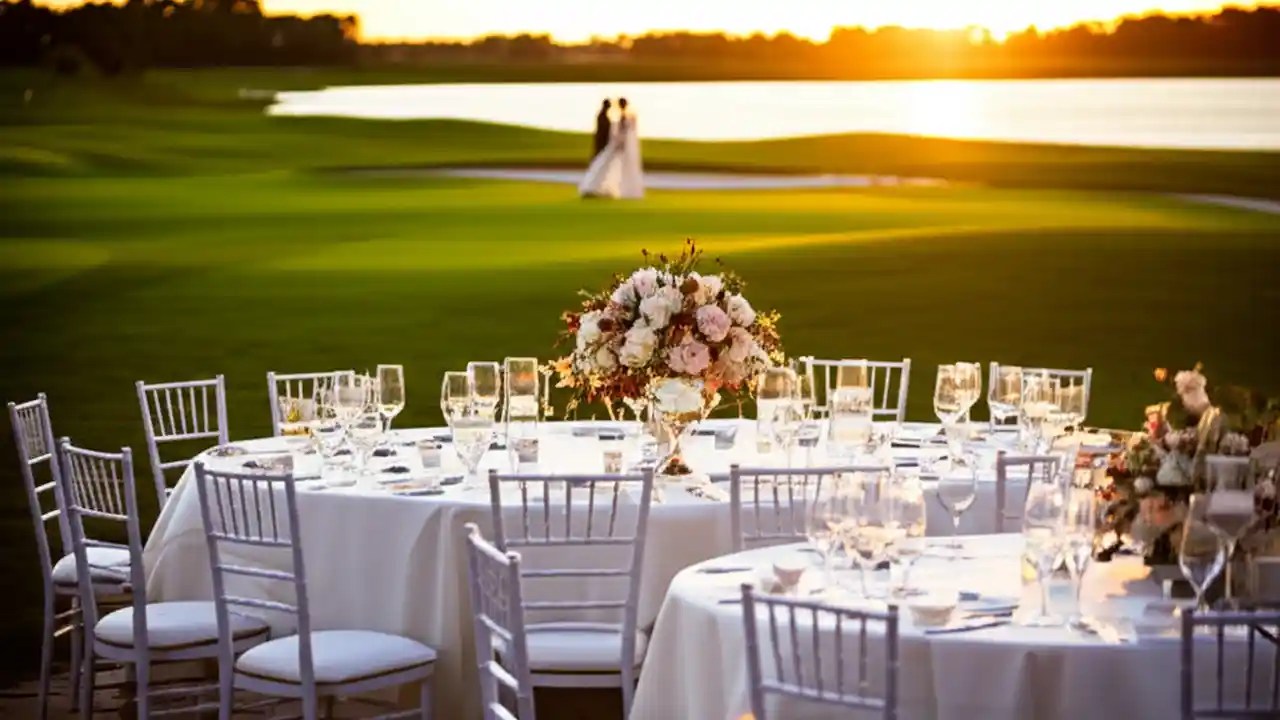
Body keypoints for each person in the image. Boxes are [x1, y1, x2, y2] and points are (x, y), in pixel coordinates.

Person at [579, 97, 645, 199]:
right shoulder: (622, 117)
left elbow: (623, 133)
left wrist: (619, 142)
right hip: (617, 145)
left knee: (609, 165)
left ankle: (599, 187)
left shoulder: (625, 117)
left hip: (618, 145)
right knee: (607, 165)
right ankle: (597, 187)